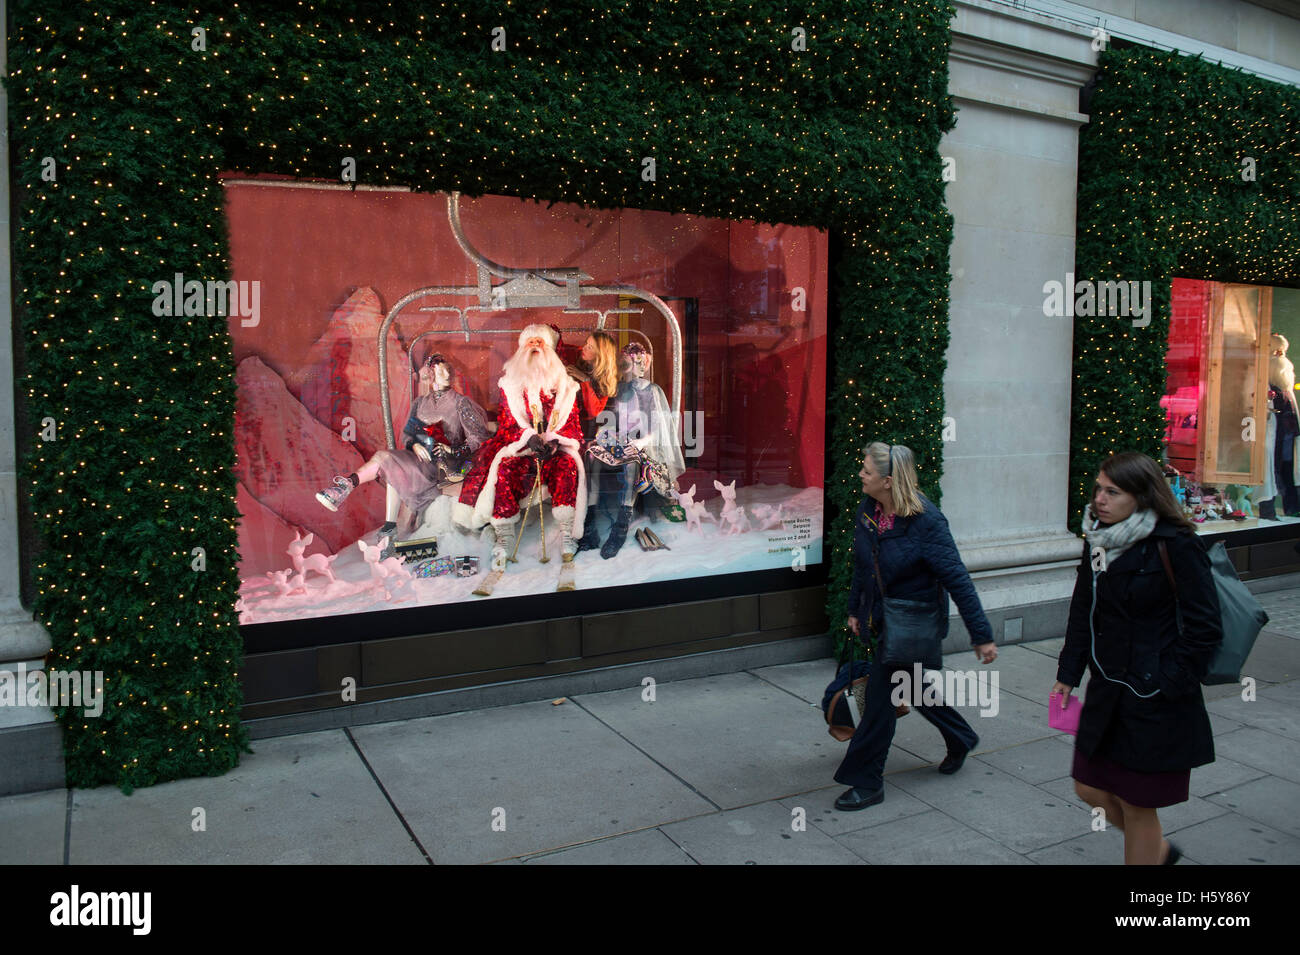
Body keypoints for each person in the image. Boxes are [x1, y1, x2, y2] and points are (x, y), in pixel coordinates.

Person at [1052, 451, 1222, 865]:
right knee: (1089, 788)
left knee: (1137, 804)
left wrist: (1169, 680)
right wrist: (1068, 673)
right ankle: (1159, 854)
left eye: (1113, 492)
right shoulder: (1097, 541)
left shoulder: (1175, 544)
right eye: (1098, 489)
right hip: (1107, 689)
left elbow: (1206, 629)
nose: (1100, 499)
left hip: (1155, 697)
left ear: (1142, 497)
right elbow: (1083, 610)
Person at [833, 442, 998, 811]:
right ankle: (961, 736)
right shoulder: (869, 510)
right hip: (883, 620)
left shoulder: (927, 522)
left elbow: (958, 579)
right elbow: (863, 566)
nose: (860, 474)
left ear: (888, 481)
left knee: (879, 700)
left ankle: (867, 781)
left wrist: (981, 634)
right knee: (912, 687)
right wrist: (855, 610)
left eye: (867, 471)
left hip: (912, 625)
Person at [453, 324, 587, 570]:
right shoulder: (510, 384)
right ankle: (505, 536)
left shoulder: (567, 385)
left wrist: (556, 441)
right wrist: (529, 438)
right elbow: (507, 423)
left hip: (556, 450)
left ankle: (567, 533)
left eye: (540, 345)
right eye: (530, 345)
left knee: (567, 467)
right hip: (523, 448)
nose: (535, 350)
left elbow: (574, 425)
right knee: (504, 470)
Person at [315, 352, 489, 541]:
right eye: (440, 372)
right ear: (430, 376)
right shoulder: (420, 403)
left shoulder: (461, 403)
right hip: (418, 457)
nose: (446, 376)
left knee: (392, 464)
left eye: (448, 371)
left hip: (444, 464)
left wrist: (453, 450)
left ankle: (383, 522)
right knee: (385, 457)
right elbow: (408, 433)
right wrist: (414, 445)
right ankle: (346, 487)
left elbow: (478, 438)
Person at [578, 341, 685, 558]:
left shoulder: (652, 391)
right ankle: (588, 523)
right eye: (626, 363)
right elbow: (609, 420)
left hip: (642, 446)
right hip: (619, 442)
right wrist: (603, 436)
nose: (631, 368)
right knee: (592, 458)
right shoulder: (617, 390)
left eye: (635, 363)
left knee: (631, 464)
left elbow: (657, 428)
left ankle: (621, 525)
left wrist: (639, 442)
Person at [559, 330, 620, 441]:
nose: (584, 348)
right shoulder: (581, 357)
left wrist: (585, 380)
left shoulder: (605, 379)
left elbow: (593, 411)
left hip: (589, 432)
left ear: (600, 354)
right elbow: (561, 348)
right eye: (586, 343)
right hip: (569, 421)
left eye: (590, 347)